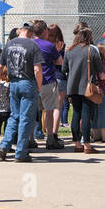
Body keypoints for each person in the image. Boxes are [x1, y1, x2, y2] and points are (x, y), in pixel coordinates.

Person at [0, 21, 44, 161]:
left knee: (14, 116)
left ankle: (5, 145)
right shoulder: (33, 45)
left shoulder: (9, 44)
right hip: (28, 83)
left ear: (20, 30)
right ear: (30, 32)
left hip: (14, 83)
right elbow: (37, 69)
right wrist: (39, 86)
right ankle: (21, 152)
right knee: (26, 118)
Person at [65, 25, 102, 153]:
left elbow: (65, 69)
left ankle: (77, 144)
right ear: (89, 37)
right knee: (86, 115)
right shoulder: (91, 50)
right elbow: (100, 71)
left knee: (76, 114)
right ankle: (87, 145)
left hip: (73, 86)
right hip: (87, 87)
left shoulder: (69, 51)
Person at [32, 20, 64, 150]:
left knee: (33, 112)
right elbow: (59, 61)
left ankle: (29, 138)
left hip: (33, 82)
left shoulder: (30, 43)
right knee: (49, 111)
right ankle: (50, 139)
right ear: (44, 31)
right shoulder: (49, 46)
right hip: (48, 81)